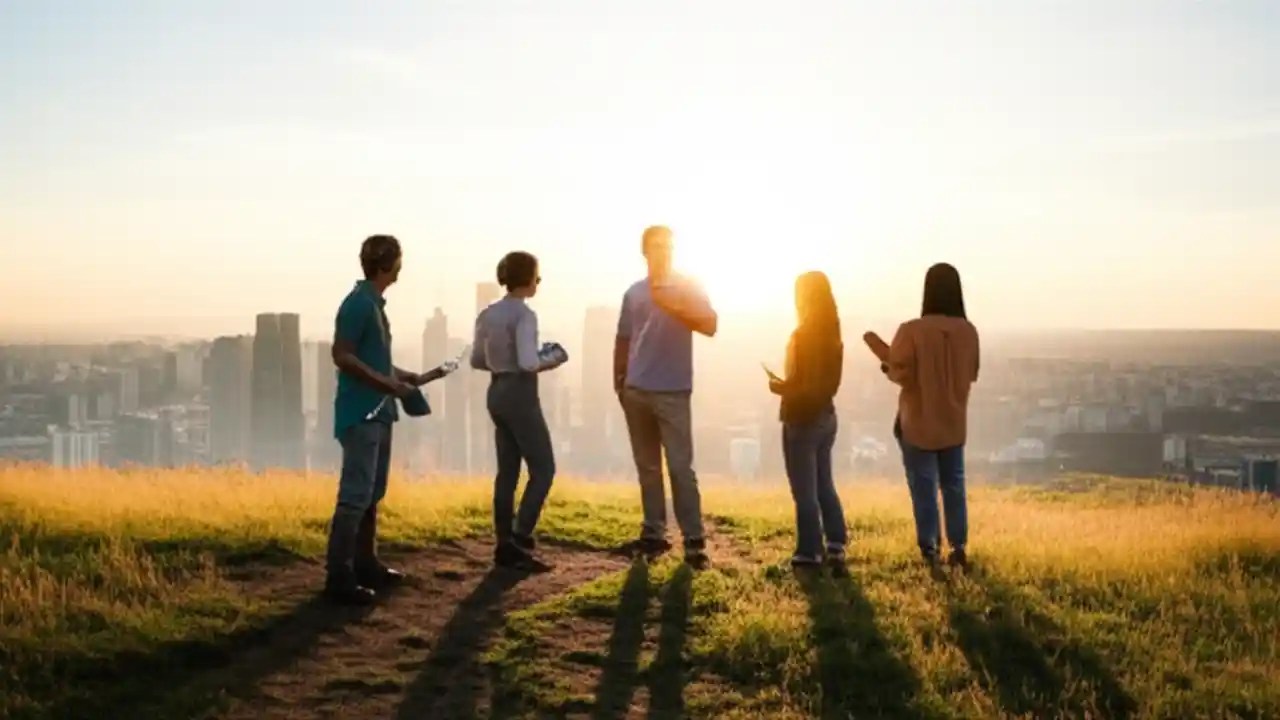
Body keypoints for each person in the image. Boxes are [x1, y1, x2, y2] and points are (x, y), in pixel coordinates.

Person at [326, 234, 459, 605]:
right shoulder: (358, 305)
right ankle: (339, 577)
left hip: (380, 412)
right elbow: (343, 356)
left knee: (371, 494)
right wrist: (387, 383)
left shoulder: (373, 304)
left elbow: (371, 359)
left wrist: (405, 377)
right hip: (361, 413)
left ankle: (366, 564)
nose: (402, 266)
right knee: (355, 497)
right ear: (388, 264)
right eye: (399, 260)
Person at [615, 225, 718, 569]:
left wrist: (674, 305)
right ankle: (653, 533)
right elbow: (624, 337)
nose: (663, 252)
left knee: (679, 467)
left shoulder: (688, 286)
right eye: (656, 246)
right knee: (647, 467)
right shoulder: (633, 293)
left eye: (668, 246)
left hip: (673, 389)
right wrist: (620, 381)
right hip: (637, 390)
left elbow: (710, 325)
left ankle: (693, 540)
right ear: (644, 251)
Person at [864, 263, 979, 569]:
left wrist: (884, 358)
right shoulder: (968, 332)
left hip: (917, 422)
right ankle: (959, 546)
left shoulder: (911, 330)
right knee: (954, 484)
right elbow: (972, 373)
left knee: (924, 487)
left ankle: (930, 547)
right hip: (954, 422)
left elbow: (901, 374)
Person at [471, 251, 567, 572]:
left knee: (507, 472)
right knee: (544, 469)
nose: (538, 282)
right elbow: (528, 362)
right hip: (520, 393)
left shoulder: (487, 314)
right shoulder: (525, 316)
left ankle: (503, 542)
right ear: (528, 280)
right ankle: (520, 535)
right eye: (537, 277)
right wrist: (552, 357)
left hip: (496, 391)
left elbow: (476, 360)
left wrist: (503, 362)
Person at [767, 271, 848, 572]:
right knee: (824, 483)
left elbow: (802, 385)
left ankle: (809, 551)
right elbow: (823, 384)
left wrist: (781, 387)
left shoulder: (801, 336)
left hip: (801, 418)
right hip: (827, 416)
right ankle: (836, 543)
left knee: (804, 490)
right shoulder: (833, 336)